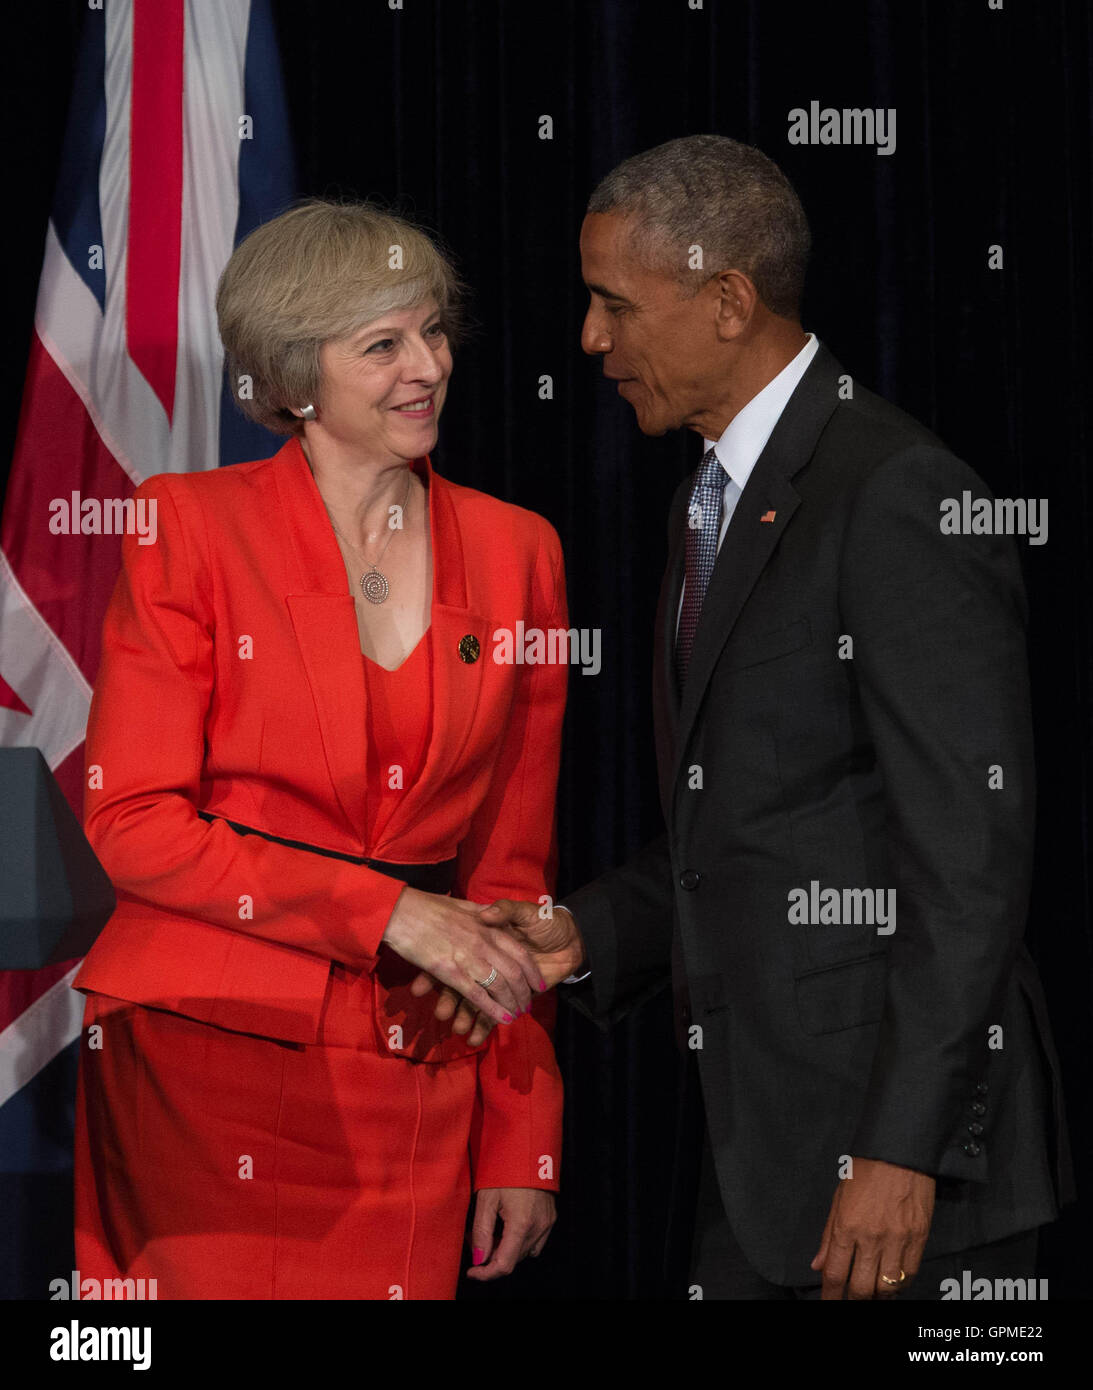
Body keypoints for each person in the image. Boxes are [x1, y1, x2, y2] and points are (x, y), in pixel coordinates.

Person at [418, 135, 1073, 1300]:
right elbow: (750, 831)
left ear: (727, 299)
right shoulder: (708, 501)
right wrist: (586, 934)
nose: (589, 340)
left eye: (614, 303)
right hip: (771, 1157)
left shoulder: (896, 493)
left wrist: (900, 1148)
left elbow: (967, 861)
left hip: (909, 1188)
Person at [72, 198, 566, 1300]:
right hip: (207, 1060)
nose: (426, 367)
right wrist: (384, 909)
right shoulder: (186, 526)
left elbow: (510, 881)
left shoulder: (520, 549)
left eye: (433, 332)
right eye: (381, 344)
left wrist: (519, 1133)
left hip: (419, 1072)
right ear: (294, 378)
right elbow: (130, 823)